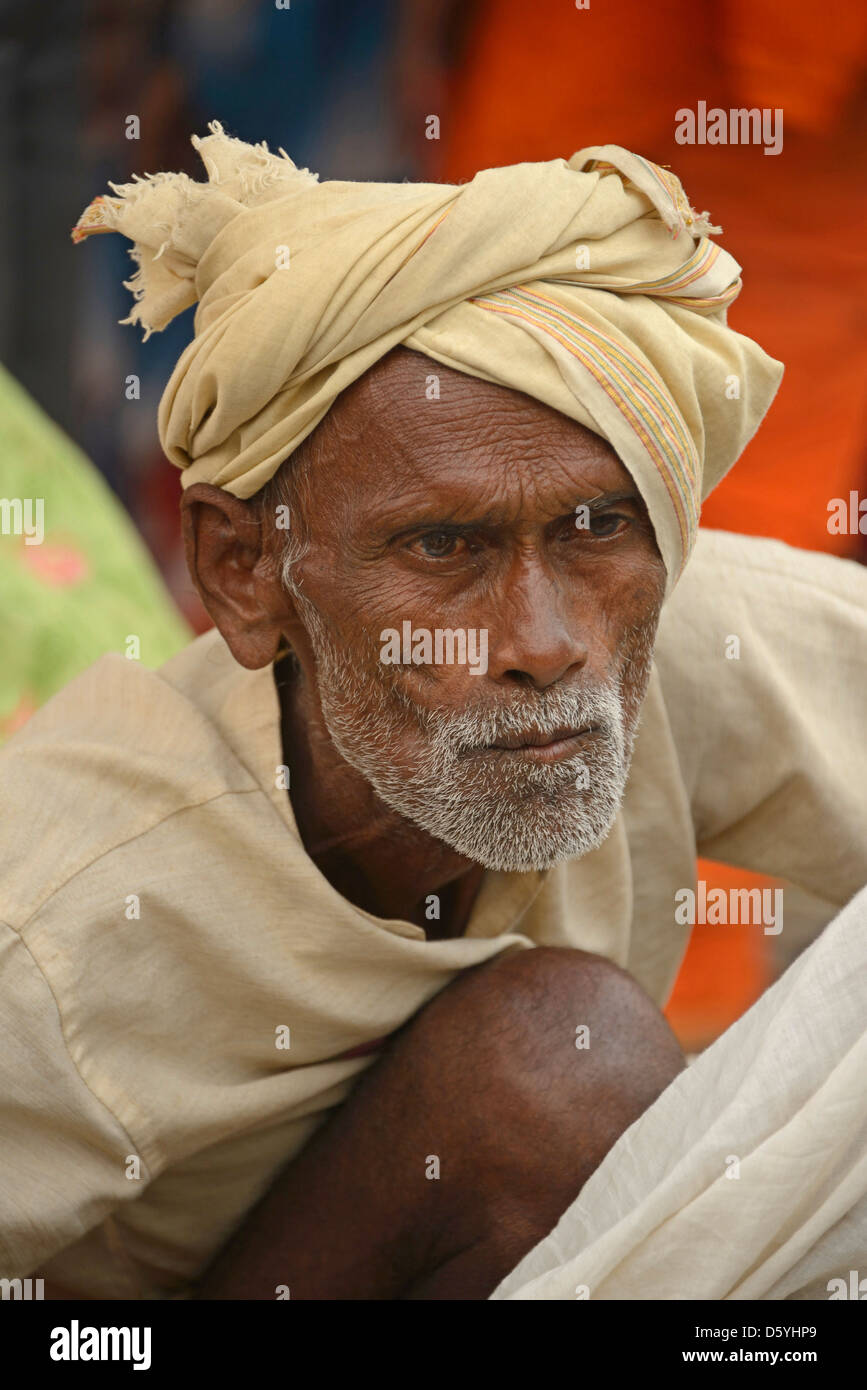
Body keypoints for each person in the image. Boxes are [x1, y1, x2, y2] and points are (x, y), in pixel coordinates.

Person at [0, 124, 864, 1299]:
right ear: (248, 572)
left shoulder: (664, 631)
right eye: (443, 545)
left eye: (599, 525)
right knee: (560, 1064)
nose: (548, 643)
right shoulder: (54, 933)